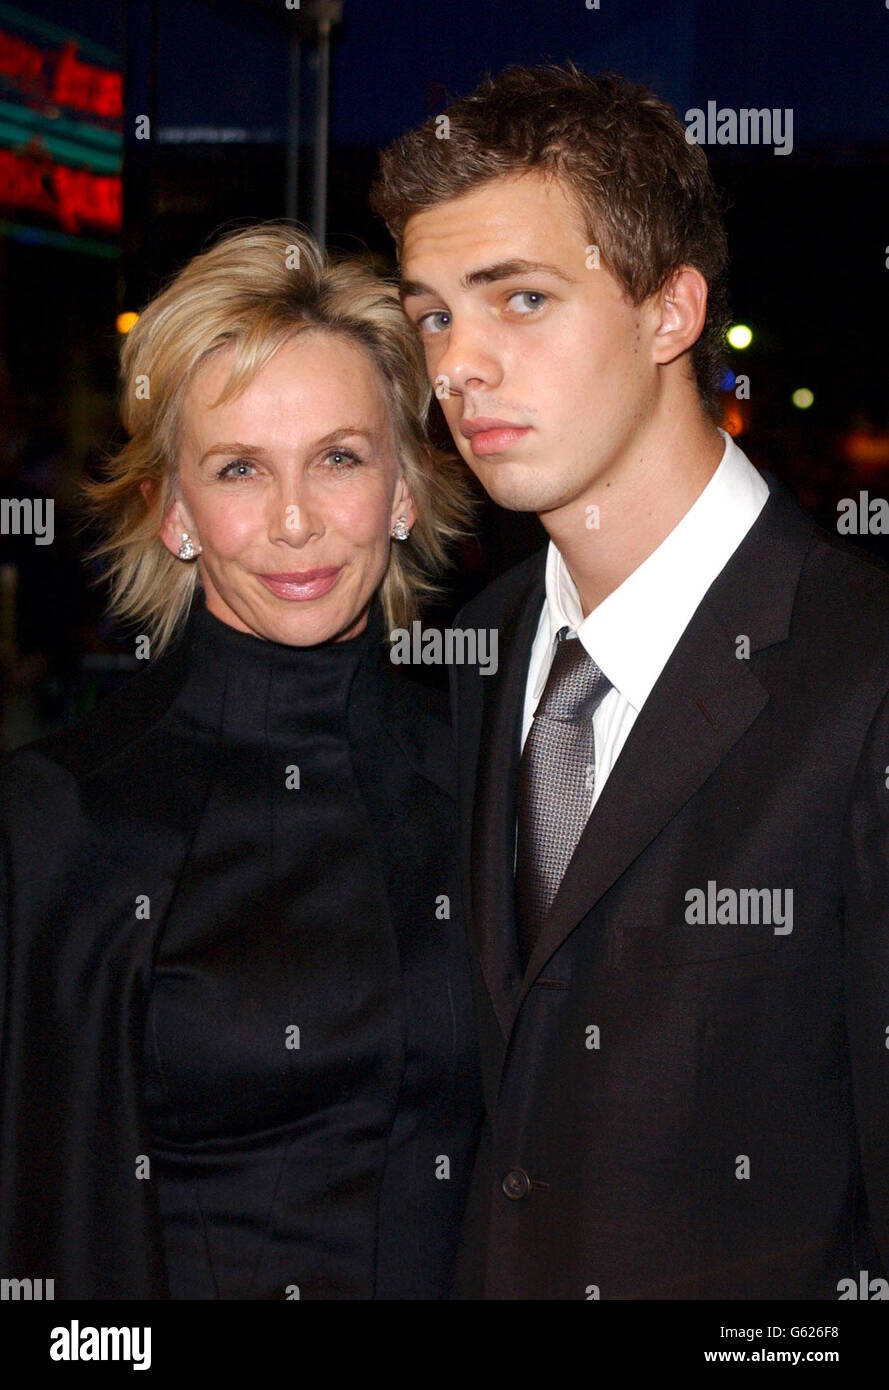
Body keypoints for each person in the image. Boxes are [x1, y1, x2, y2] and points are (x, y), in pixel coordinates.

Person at [371, 64, 889, 1299]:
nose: (461, 368)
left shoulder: (861, 674)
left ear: (671, 312)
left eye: (524, 301)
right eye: (434, 315)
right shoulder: (477, 653)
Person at [0, 223, 482, 1300]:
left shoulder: (494, 784)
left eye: (339, 458)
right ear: (174, 511)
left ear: (404, 489)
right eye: (238, 469)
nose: (297, 520)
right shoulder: (58, 818)